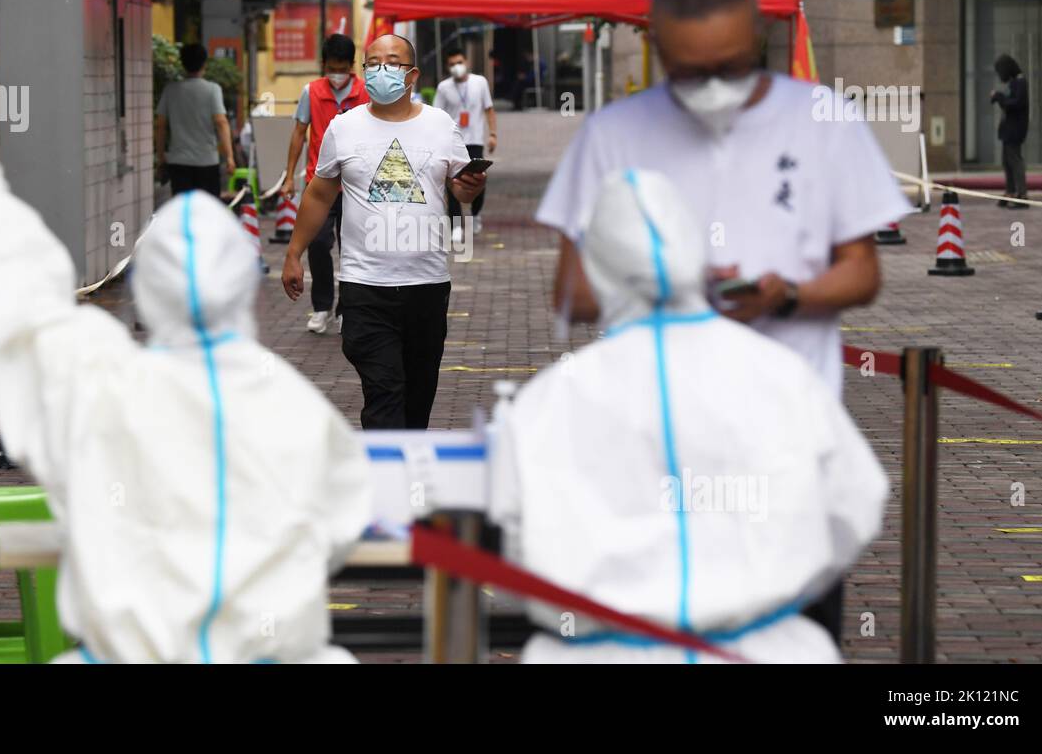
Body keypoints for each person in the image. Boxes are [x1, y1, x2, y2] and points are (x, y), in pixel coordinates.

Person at [536, 0, 909, 642]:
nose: (712, 87)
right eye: (690, 72)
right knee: (657, 636)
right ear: (655, 44)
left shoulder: (823, 121)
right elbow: (573, 294)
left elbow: (862, 271)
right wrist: (673, 287)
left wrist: (787, 295)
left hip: (786, 447)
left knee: (792, 635)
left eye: (732, 67)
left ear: (759, 34)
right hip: (653, 449)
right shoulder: (614, 134)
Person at [0, 103, 371, 664]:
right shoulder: (295, 407)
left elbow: (25, 312)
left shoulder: (103, 385)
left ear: (146, 290)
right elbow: (340, 523)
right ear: (245, 287)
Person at [490, 168, 888, 664]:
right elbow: (855, 503)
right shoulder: (783, 376)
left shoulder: (551, 398)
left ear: (596, 267)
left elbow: (510, 534)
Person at [281, 33, 487, 430]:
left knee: (417, 402)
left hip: (427, 285)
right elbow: (320, 194)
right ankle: (385, 468)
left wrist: (470, 187)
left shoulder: (439, 125)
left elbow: (460, 187)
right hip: (365, 287)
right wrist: (294, 253)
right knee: (384, 394)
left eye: (391, 62)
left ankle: (407, 463)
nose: (380, 70)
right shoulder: (344, 128)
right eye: (372, 63)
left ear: (412, 75)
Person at [281, 34, 368, 335]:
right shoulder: (312, 92)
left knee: (352, 250)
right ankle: (321, 307)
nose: (337, 74)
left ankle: (347, 308)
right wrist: (289, 176)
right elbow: (298, 134)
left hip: (356, 185)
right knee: (317, 244)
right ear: (323, 64)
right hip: (319, 184)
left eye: (342, 68)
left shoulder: (365, 92)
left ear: (352, 65)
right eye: (331, 68)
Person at [154, 44, 235, 198]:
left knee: (184, 209)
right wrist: (230, 157)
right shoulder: (212, 89)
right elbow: (221, 122)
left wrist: (161, 157)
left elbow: (160, 125)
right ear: (204, 63)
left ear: (182, 63)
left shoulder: (171, 90)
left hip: (179, 163)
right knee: (207, 209)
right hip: (207, 163)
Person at [435, 48, 497, 240]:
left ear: (467, 62)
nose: (456, 67)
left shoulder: (480, 82)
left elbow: (489, 109)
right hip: (452, 142)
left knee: (478, 180)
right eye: (452, 64)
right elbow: (437, 114)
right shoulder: (444, 87)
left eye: (459, 62)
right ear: (447, 67)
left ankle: (475, 214)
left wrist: (493, 134)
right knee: (452, 181)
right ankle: (456, 225)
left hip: (475, 140)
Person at [991, 53, 1030, 209]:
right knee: (1007, 162)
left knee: (1015, 161)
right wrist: (1000, 98)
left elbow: (1016, 103)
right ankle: (1010, 191)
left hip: (1015, 129)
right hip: (1009, 129)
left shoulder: (1020, 82)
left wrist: (999, 97)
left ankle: (1022, 194)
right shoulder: (1014, 82)